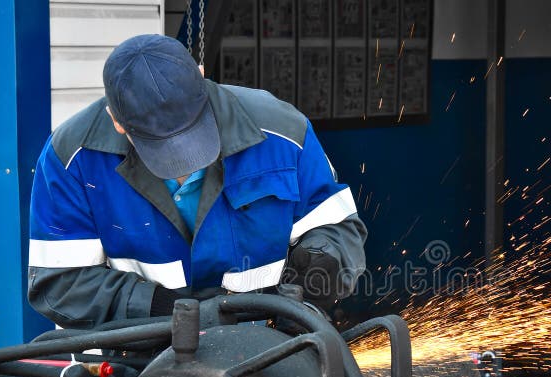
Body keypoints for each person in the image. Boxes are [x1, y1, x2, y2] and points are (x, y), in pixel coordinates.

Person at [28, 34, 366, 328]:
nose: (182, 166)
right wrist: (166, 311)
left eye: (191, 134)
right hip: (140, 357)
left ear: (202, 77)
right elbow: (61, 284)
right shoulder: (72, 159)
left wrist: (307, 280)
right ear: (116, 120)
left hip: (273, 343)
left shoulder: (283, 133)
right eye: (159, 146)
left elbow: (340, 232)